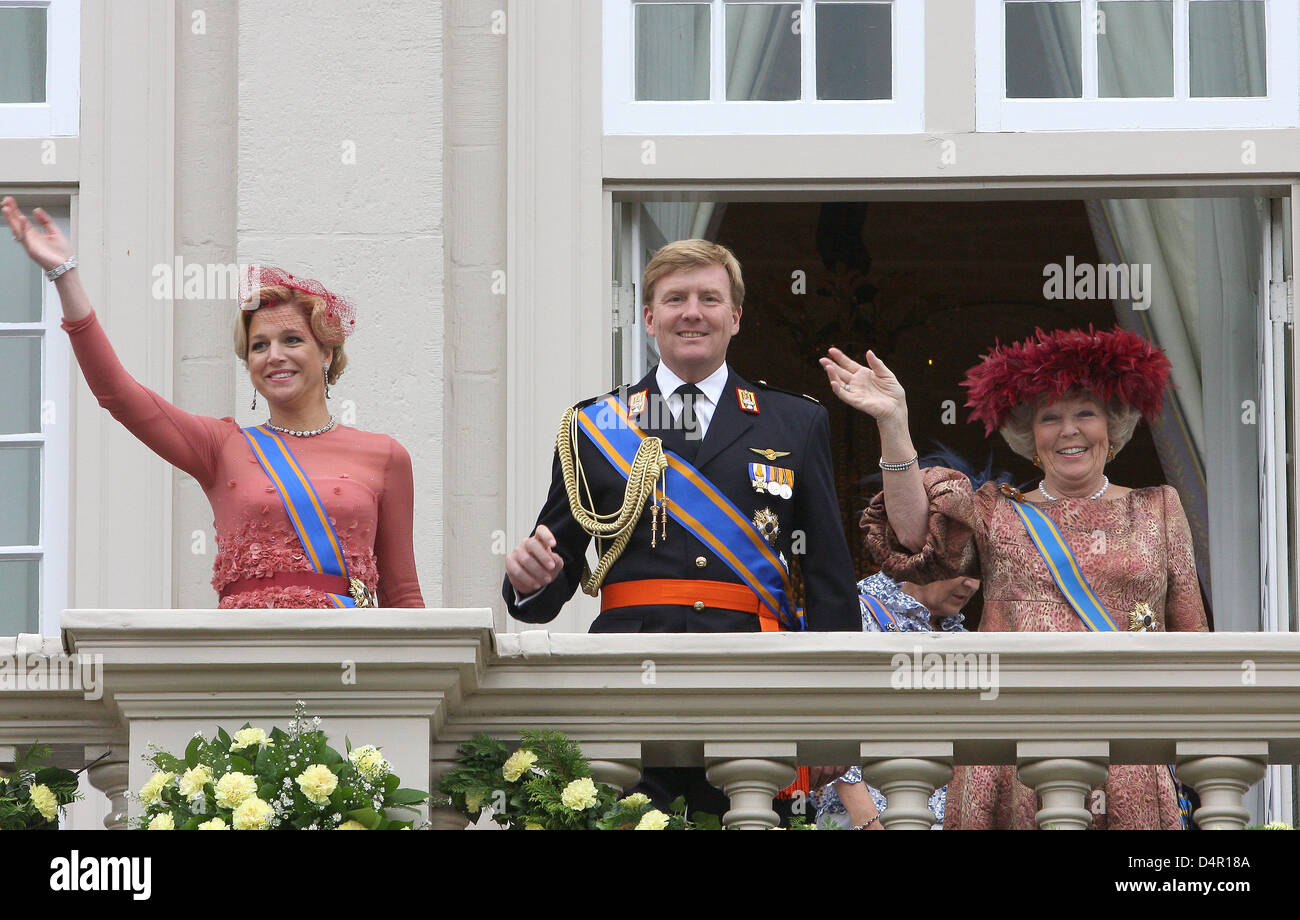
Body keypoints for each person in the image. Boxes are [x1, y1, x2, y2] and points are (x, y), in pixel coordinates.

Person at [504, 239, 860, 814]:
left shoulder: (796, 420)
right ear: (650, 318)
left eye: (709, 298)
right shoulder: (596, 425)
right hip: (627, 672)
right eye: (675, 299)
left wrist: (834, 710)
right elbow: (558, 564)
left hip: (753, 667)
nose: (692, 312)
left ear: (735, 317)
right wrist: (530, 580)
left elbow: (828, 577)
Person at [821, 326, 1207, 830]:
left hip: (1126, 745)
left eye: (1085, 413)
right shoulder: (996, 511)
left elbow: (1193, 635)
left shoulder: (1158, 506)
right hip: (1011, 748)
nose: (1068, 430)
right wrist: (894, 423)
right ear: (1031, 437)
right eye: (1051, 418)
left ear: (1112, 427)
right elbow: (915, 535)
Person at [3, 196, 423, 609]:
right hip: (245, 658)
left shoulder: (384, 456)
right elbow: (117, 393)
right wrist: (65, 276)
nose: (274, 355)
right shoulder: (220, 446)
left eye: (292, 339)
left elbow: (403, 596)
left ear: (327, 353)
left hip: (347, 657)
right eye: (259, 346)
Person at [816, 571, 976, 830]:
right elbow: (831, 720)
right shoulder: (859, 611)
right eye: (961, 570)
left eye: (977, 573)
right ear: (922, 558)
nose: (970, 584)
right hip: (880, 815)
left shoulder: (961, 636)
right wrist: (867, 820)